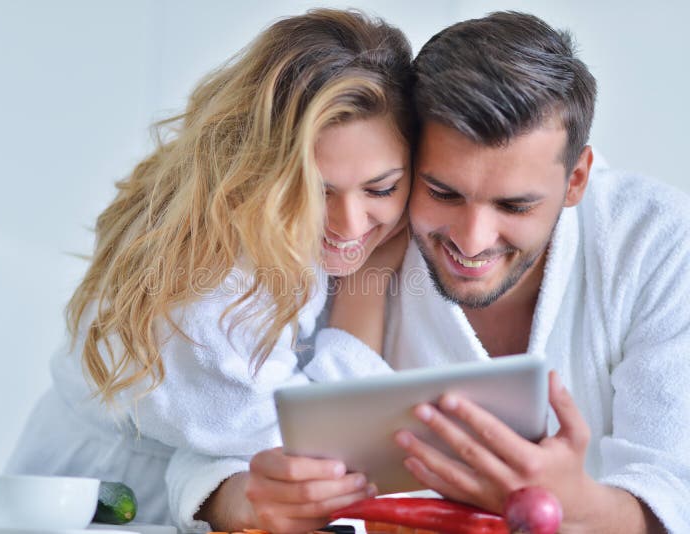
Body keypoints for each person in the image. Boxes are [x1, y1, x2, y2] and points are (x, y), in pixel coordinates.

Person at [190, 11, 689, 534]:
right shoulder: (355, 232)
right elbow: (214, 435)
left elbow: (675, 488)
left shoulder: (654, 241)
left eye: (515, 206)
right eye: (443, 193)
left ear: (576, 179)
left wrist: (579, 504)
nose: (471, 241)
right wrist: (242, 498)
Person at [5, 8, 417, 527]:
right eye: (314, 190)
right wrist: (366, 287)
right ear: (260, 166)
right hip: (101, 500)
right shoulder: (208, 280)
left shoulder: (264, 221)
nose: (350, 223)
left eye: (381, 188)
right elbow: (305, 448)